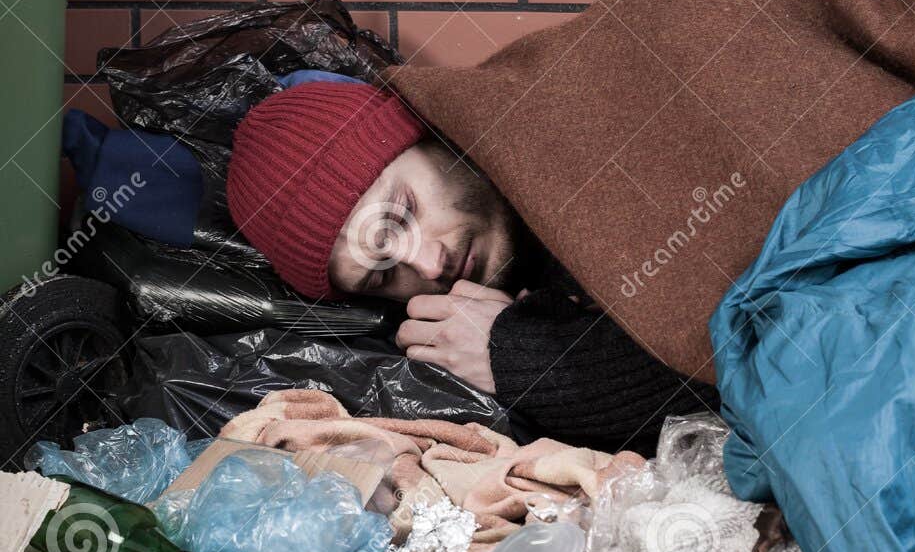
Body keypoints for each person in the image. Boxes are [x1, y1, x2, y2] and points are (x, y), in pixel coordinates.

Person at [226, 79, 711, 454]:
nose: (431, 264)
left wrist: (522, 358)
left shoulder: (598, 143)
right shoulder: (455, 329)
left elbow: (751, 374)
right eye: (382, 274)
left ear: (429, 137)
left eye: (404, 211)